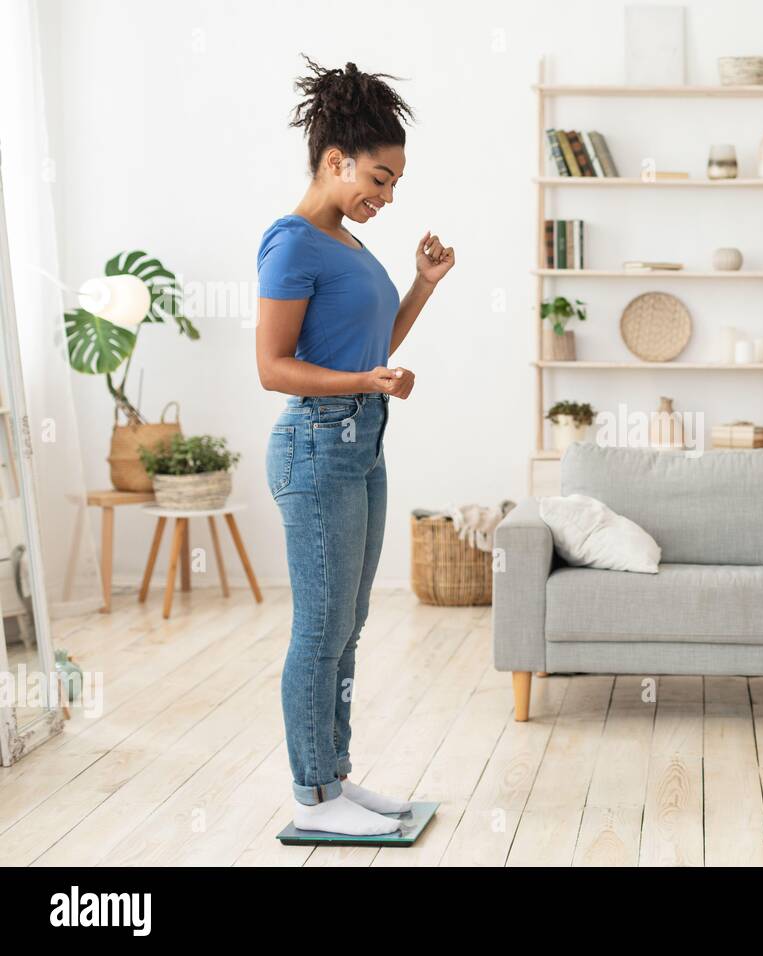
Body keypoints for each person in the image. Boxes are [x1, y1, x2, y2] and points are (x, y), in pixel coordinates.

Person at [255, 56, 454, 835]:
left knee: (349, 622)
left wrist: (423, 283)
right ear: (334, 160)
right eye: (378, 177)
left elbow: (366, 349)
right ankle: (314, 795)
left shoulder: (346, 241)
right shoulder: (294, 242)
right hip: (316, 446)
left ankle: (336, 777)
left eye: (396, 182)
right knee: (320, 626)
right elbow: (274, 369)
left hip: (359, 445)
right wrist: (367, 387)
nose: (388, 196)